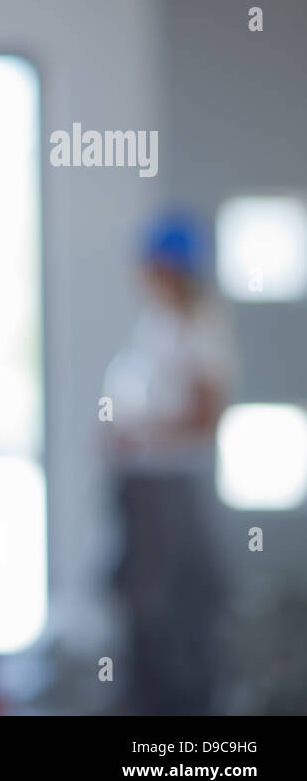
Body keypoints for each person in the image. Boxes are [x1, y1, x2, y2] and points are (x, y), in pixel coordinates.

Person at [100, 208, 236, 715]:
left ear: (169, 266)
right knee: (141, 611)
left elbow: (202, 417)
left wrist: (138, 437)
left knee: (174, 613)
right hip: (143, 489)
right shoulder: (156, 325)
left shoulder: (199, 327)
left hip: (170, 490)